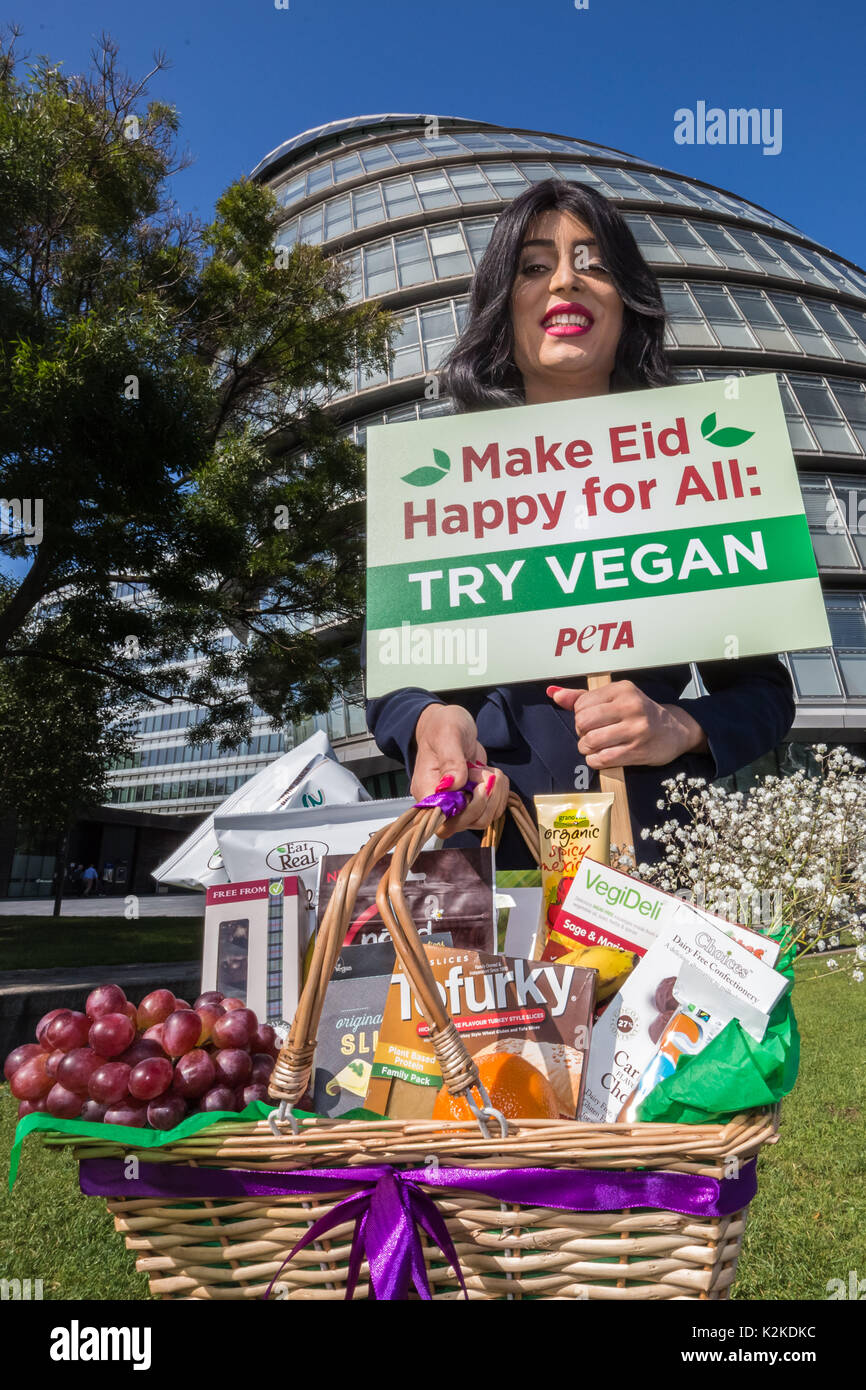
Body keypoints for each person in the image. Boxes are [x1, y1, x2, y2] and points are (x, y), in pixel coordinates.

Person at [365, 180, 795, 869]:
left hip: (656, 864)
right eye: (534, 267)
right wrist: (428, 722)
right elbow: (401, 683)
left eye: (592, 263)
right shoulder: (443, 484)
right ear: (505, 308)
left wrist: (680, 724)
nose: (565, 280)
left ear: (626, 300)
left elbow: (766, 694)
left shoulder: (696, 473)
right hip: (495, 863)